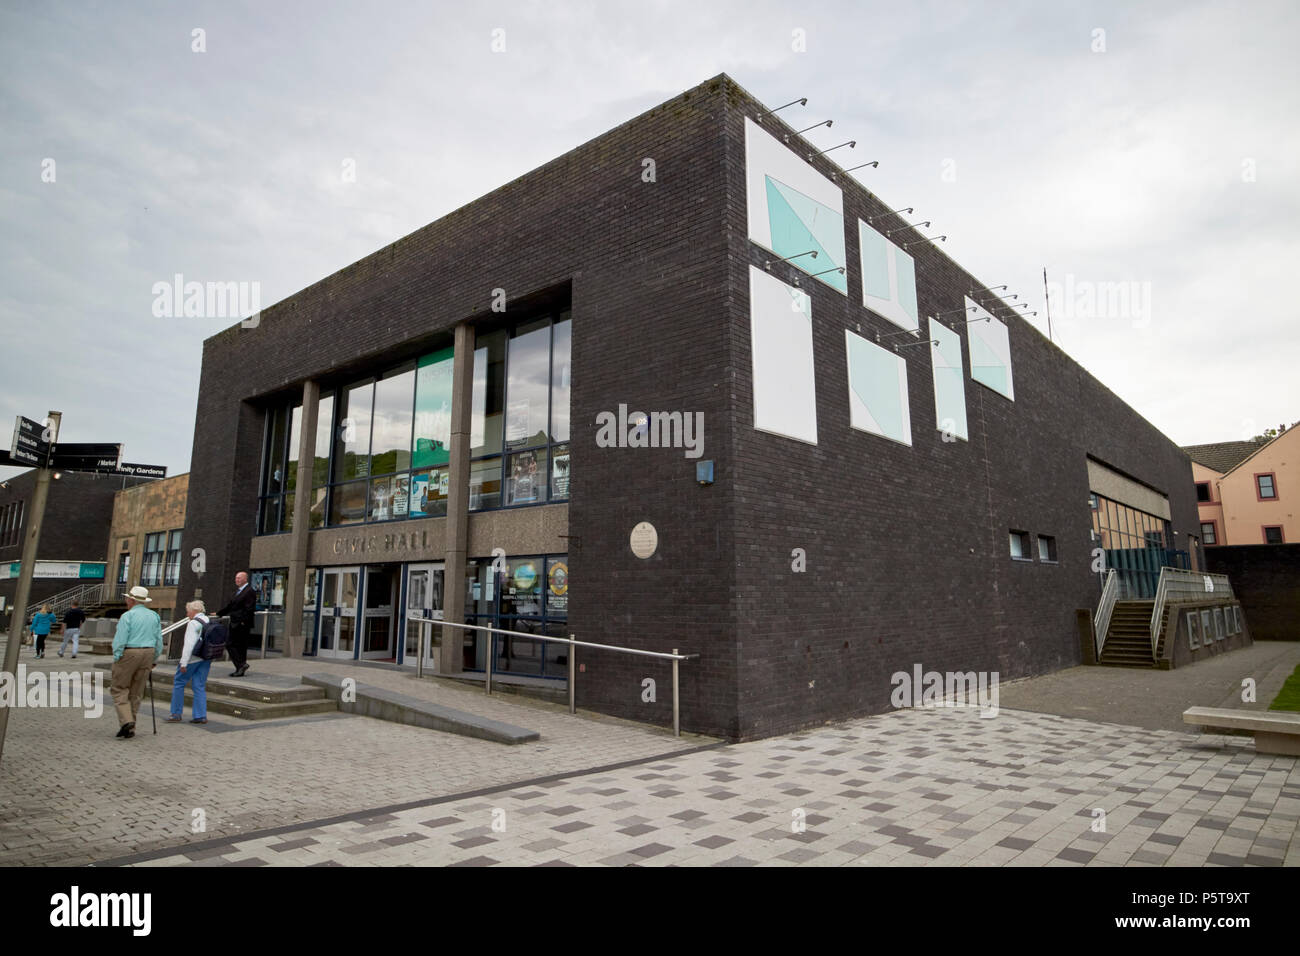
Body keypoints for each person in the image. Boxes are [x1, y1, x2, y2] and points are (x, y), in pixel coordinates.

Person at [110, 585, 163, 739]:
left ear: (131, 600)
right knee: (136, 691)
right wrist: (154, 658)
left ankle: (127, 721)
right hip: (148, 652)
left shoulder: (128, 616)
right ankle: (131, 725)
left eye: (127, 598)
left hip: (130, 652)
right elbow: (158, 639)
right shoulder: (154, 616)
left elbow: (120, 639)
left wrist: (117, 655)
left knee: (119, 688)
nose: (126, 600)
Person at [168, 600, 213, 725]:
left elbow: (189, 645)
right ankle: (200, 715)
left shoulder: (193, 623)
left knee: (179, 682)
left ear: (194, 611)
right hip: (206, 657)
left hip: (193, 658)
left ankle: (176, 713)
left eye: (188, 611)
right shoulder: (208, 620)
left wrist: (183, 663)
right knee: (199, 686)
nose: (187, 614)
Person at [218, 570, 256, 677]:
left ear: (245, 579)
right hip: (235, 622)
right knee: (236, 646)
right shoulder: (238, 591)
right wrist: (219, 613)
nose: (236, 580)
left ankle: (241, 665)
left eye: (239, 578)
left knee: (231, 644)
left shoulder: (249, 591)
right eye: (236, 578)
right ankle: (240, 667)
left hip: (241, 623)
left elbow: (249, 609)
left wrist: (243, 621)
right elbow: (231, 606)